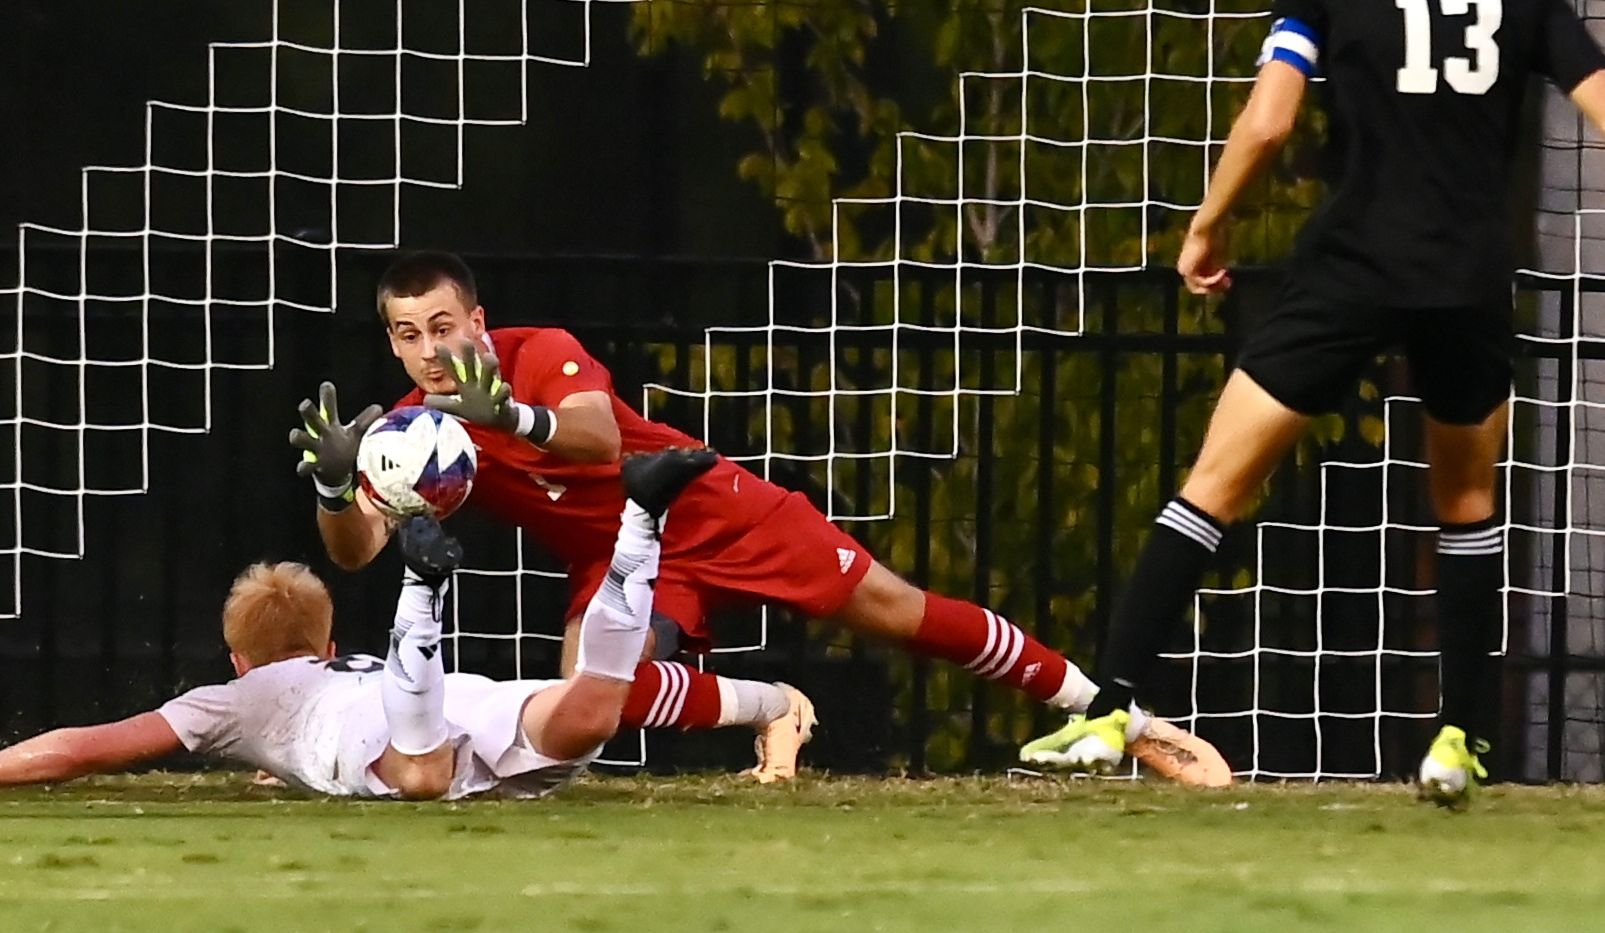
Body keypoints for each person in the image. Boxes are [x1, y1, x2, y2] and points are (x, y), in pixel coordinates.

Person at [1019, 0, 1605, 805]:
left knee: (1212, 485)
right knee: (1466, 504)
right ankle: (1457, 737)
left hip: (1352, 266)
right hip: (1465, 276)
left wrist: (1205, 227)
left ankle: (1109, 709)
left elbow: (1270, 119)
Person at [293, 251, 1228, 785]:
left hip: (710, 508)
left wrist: (508, 416)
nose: (430, 348)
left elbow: (587, 437)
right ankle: (776, 709)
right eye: (408, 334)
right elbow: (359, 549)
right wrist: (337, 488)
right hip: (628, 556)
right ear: (392, 341)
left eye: (443, 325)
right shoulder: (409, 434)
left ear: (477, 320)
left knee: (897, 613)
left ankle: (1118, 717)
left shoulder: (538, 355)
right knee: (589, 695)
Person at [0, 451, 721, 800]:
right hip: (464, 694)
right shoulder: (318, 672)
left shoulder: (237, 700)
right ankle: (639, 524)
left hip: (380, 726)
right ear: (328, 644)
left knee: (416, 777)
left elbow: (86, 746)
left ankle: (422, 595)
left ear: (239, 657)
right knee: (590, 709)